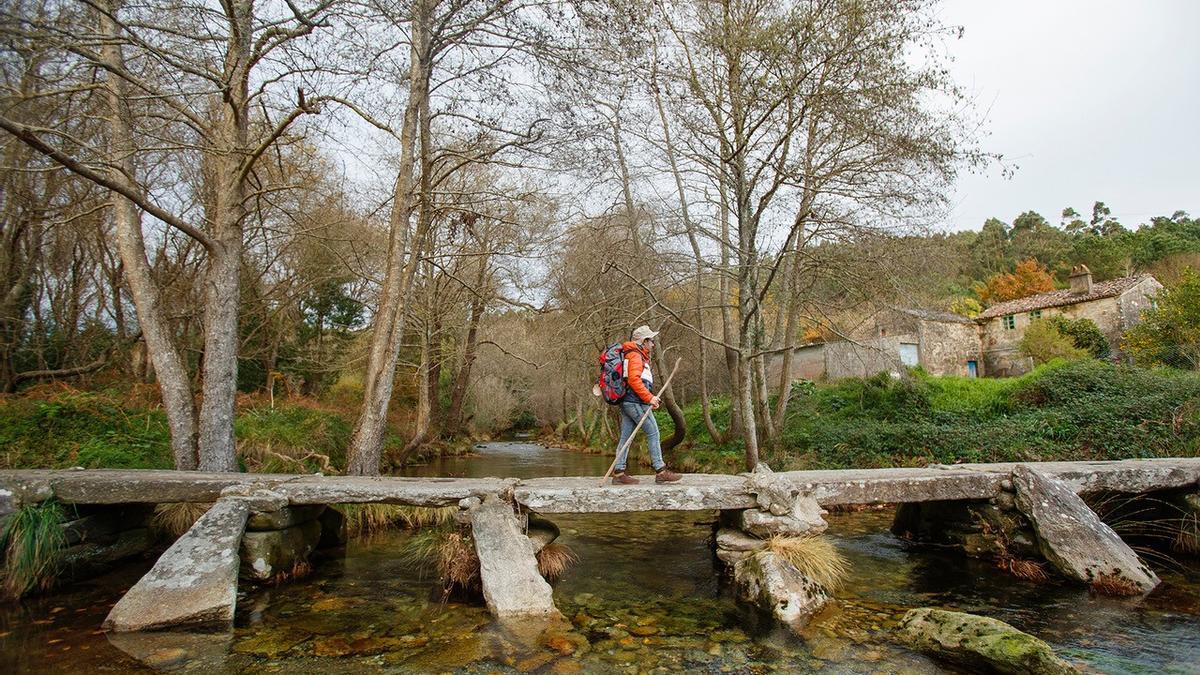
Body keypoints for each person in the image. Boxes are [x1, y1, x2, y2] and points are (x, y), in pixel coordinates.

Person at [612, 325, 682, 485]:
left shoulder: (633, 355)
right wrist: (650, 398)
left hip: (630, 401)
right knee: (653, 432)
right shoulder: (636, 356)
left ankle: (619, 473)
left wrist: (649, 398)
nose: (653, 344)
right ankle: (661, 471)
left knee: (626, 437)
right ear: (644, 341)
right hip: (635, 402)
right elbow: (634, 381)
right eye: (651, 341)